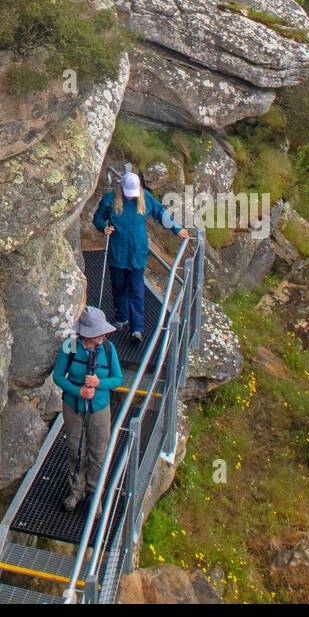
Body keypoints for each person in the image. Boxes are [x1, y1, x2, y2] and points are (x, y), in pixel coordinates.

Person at [93, 169, 188, 344]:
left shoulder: (144, 198)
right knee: (119, 286)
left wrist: (176, 229)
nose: (130, 197)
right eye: (128, 194)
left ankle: (137, 328)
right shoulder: (110, 199)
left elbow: (161, 213)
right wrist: (103, 227)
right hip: (118, 251)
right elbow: (98, 218)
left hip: (137, 252)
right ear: (121, 187)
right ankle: (122, 317)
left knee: (136, 290)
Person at [52, 306, 123, 511]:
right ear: (86, 332)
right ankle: (75, 491)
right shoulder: (70, 346)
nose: (102, 335)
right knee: (75, 450)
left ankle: (94, 493)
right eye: (98, 332)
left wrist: (99, 383)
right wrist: (78, 391)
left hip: (99, 408)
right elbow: (57, 377)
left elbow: (118, 379)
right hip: (73, 406)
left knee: (98, 452)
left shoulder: (109, 349)